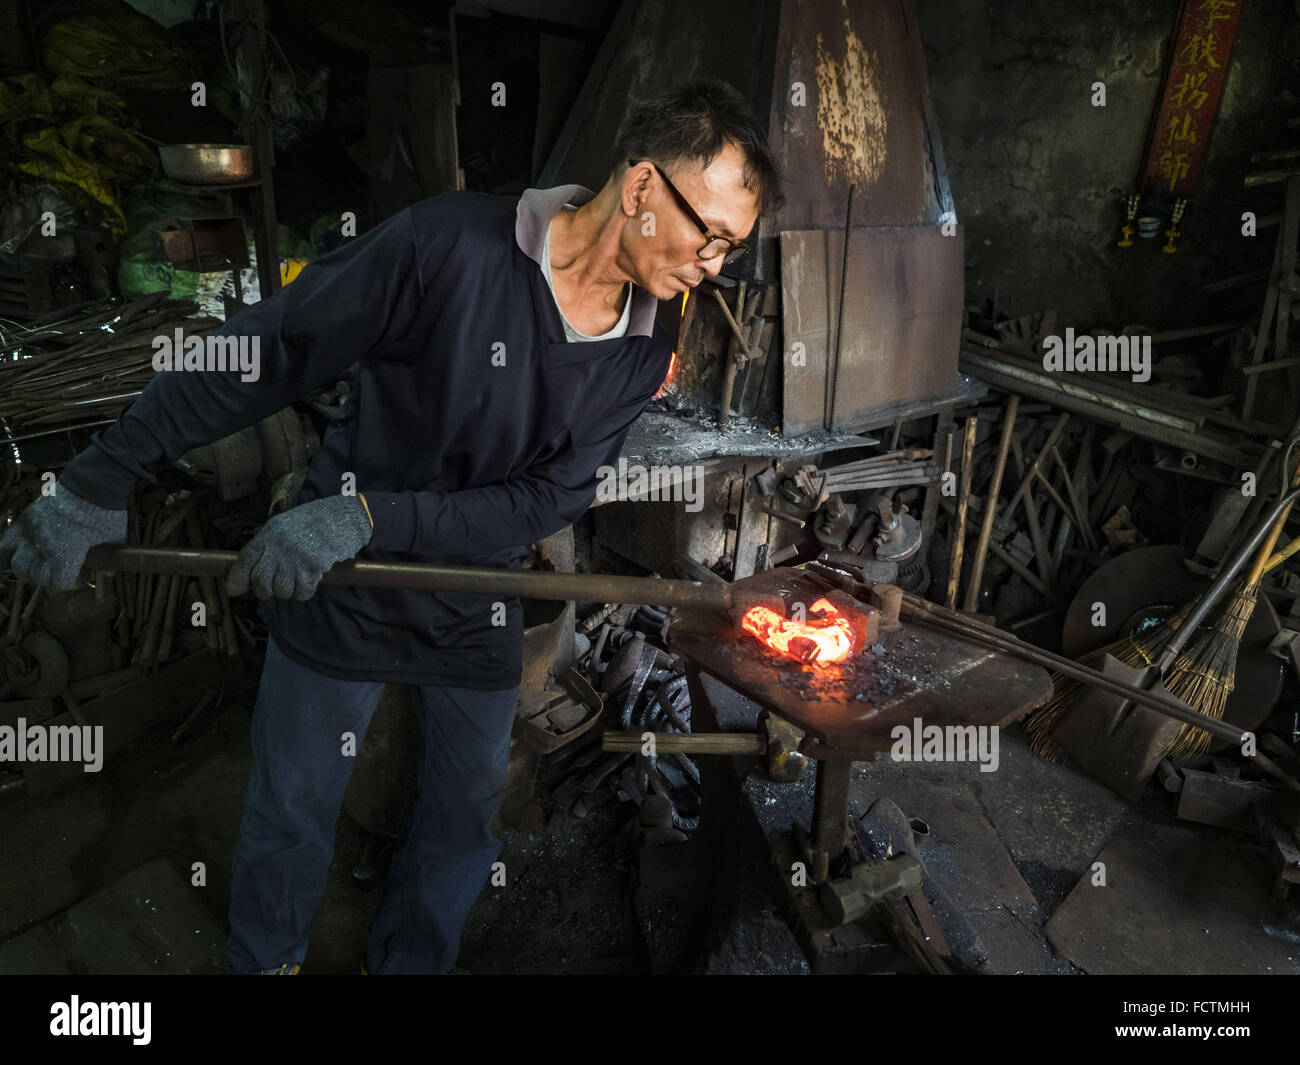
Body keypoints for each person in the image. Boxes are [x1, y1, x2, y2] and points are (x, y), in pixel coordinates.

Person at [0, 77, 782, 974]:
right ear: (643, 187)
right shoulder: (444, 246)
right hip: (338, 582)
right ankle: (267, 962)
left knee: (460, 821)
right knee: (292, 807)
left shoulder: (647, 342)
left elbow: (546, 499)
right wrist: (102, 472)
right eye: (711, 233)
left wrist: (376, 515)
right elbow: (270, 348)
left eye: (732, 246)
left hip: (475, 590)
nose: (715, 264)